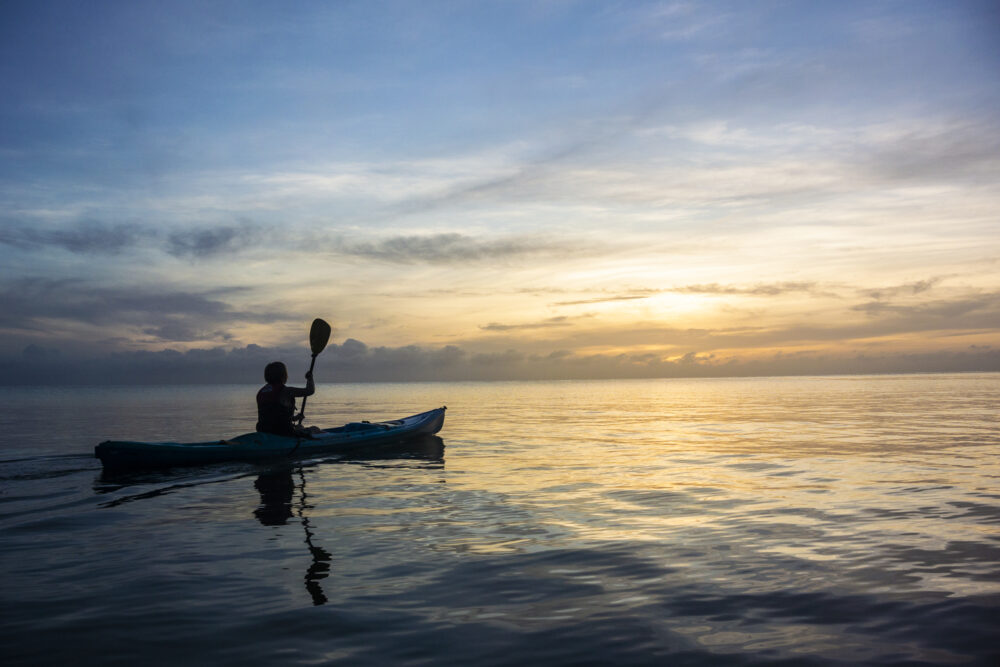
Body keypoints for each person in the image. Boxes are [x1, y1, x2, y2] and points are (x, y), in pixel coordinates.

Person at [256, 361, 315, 436]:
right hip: (282, 433)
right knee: (314, 429)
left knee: (299, 427)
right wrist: (310, 378)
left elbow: (273, 416)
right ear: (283, 375)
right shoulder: (286, 391)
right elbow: (310, 391)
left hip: (264, 431)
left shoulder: (261, 392)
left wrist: (294, 418)